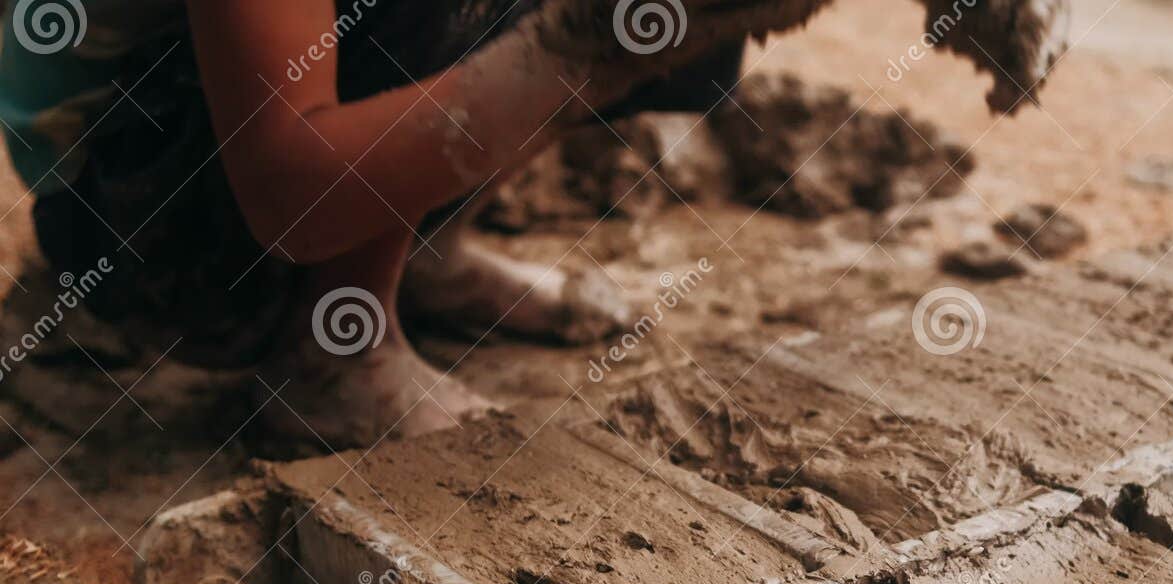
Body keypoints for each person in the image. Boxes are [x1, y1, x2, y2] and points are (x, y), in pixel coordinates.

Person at [0, 0, 748, 449]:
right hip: (149, 222)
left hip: (230, 157)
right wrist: (586, 48)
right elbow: (291, 196)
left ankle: (421, 251)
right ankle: (337, 348)